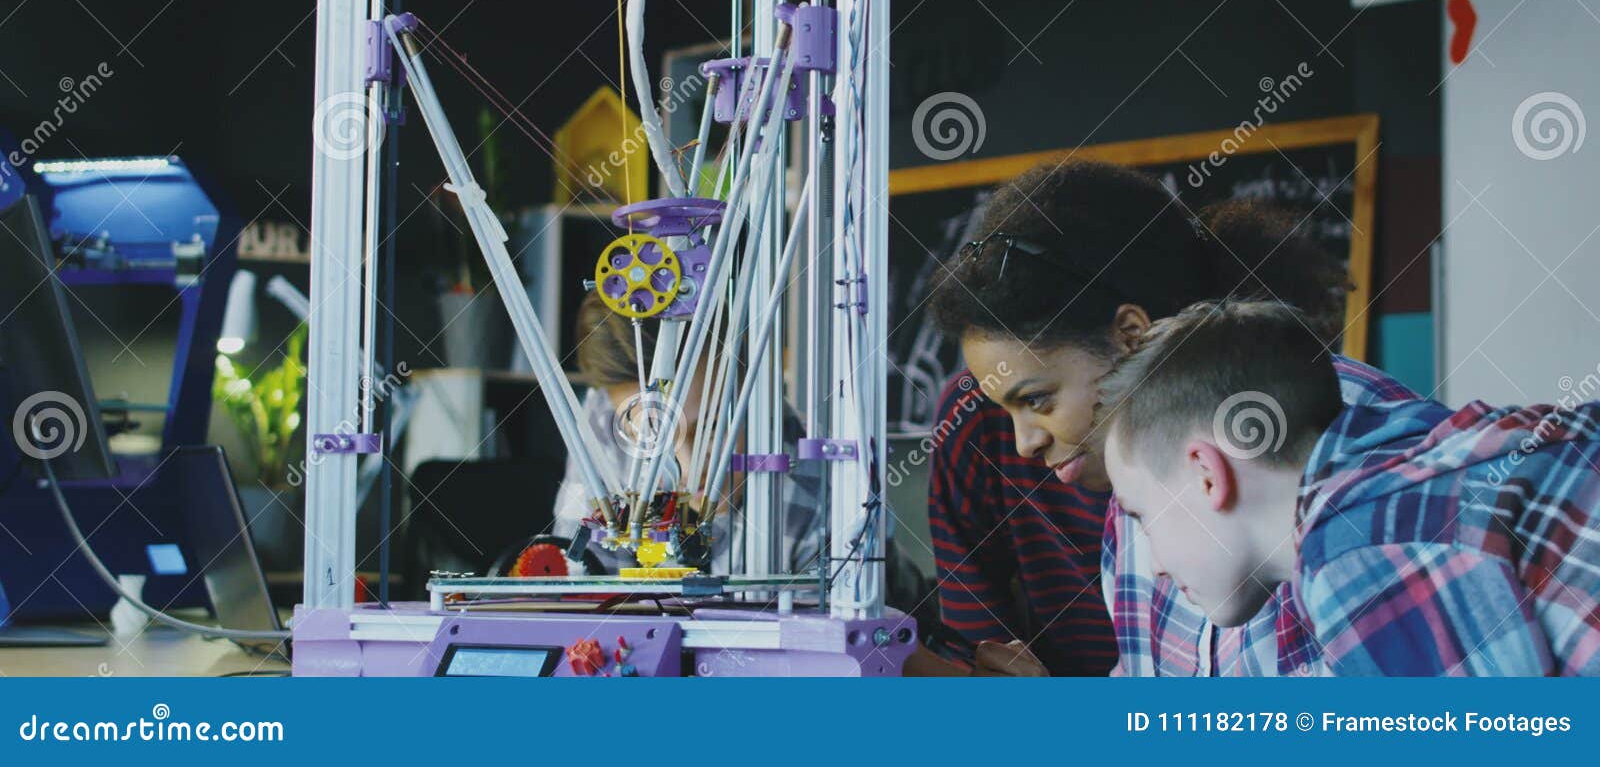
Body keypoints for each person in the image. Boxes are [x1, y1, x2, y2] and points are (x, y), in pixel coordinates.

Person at [924, 159, 1415, 676]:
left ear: (1131, 335)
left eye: (1038, 399)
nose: (1023, 444)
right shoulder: (1131, 485)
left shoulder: (1358, 443)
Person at [1098, 299, 1600, 676]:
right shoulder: (1412, 450)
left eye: (1142, 516)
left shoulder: (1354, 545)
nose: (1155, 566)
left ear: (1207, 474)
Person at [551, 291, 823, 575]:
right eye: (653, 437)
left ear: (751, 386)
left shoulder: (819, 479)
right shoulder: (605, 423)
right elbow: (581, 588)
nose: (690, 469)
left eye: (713, 426)